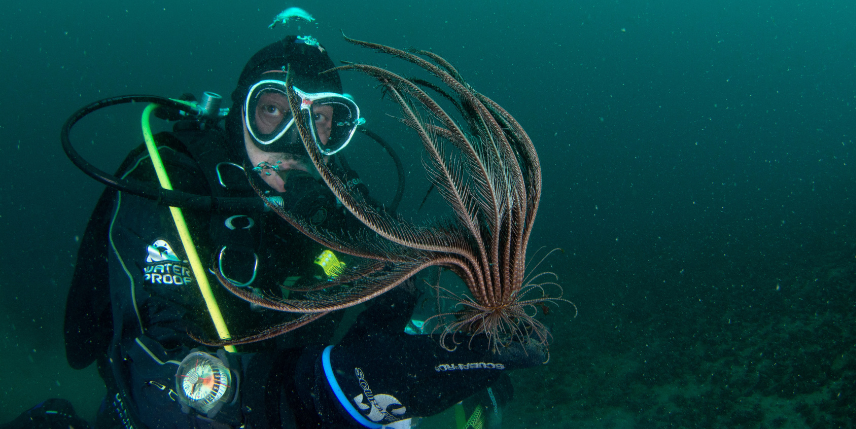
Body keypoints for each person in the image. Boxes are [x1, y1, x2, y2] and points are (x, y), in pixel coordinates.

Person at [11, 34, 540, 429]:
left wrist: (448, 357)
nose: (295, 143)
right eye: (273, 111)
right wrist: (348, 387)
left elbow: (398, 288)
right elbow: (164, 388)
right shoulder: (168, 185)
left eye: (321, 122)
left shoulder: (343, 200)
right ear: (240, 111)